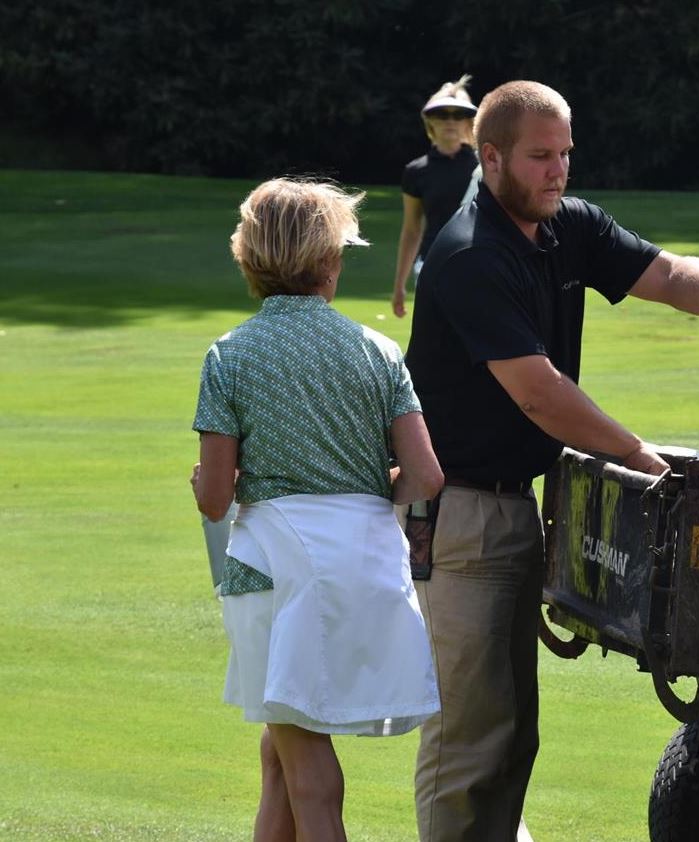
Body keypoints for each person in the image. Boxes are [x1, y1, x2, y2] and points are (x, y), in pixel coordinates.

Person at [403, 80, 699, 842]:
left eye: (566, 153)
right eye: (540, 156)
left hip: (514, 506)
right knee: (469, 737)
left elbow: (669, 277)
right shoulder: (471, 253)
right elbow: (540, 395)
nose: (558, 170)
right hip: (460, 514)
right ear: (491, 156)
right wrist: (639, 455)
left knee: (513, 734)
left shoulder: (566, 226)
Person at [191, 177, 444, 842]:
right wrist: (365, 498)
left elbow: (216, 498)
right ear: (330, 261)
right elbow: (424, 475)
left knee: (308, 771)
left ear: (249, 259)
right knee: (280, 758)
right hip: (366, 569)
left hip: (271, 576)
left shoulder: (230, 356)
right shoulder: (378, 351)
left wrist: (204, 486)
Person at [392, 74, 481, 319]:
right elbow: (411, 229)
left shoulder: (485, 166)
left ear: (468, 122)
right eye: (442, 114)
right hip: (432, 263)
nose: (450, 121)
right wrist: (399, 285)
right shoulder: (416, 171)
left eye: (458, 114)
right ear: (430, 120)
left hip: (480, 263)